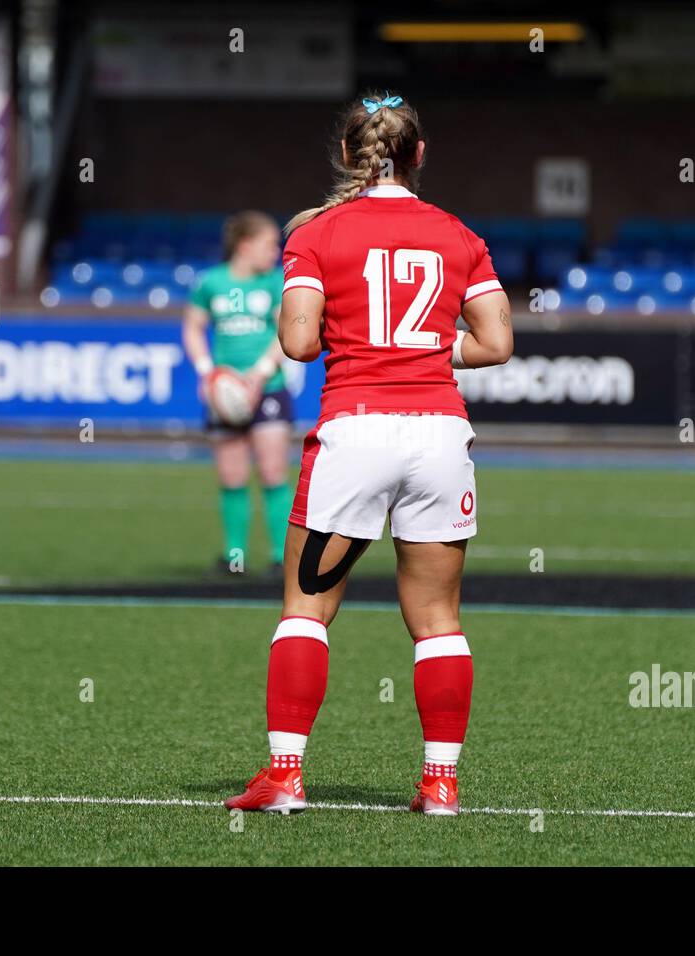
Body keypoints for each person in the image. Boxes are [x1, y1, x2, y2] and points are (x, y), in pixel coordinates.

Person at [224, 92, 513, 816]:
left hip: (355, 430)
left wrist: (357, 336)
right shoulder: (458, 235)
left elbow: (296, 343)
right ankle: (440, 785)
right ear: (419, 155)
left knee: (306, 607)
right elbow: (498, 343)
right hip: (439, 433)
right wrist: (427, 345)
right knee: (438, 617)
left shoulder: (317, 234)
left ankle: (286, 777)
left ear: (349, 155)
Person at [182, 211, 291, 576]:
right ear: (245, 245)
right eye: (269, 244)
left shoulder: (276, 282)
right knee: (231, 475)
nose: (275, 252)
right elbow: (193, 328)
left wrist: (259, 375)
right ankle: (235, 557)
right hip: (226, 393)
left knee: (274, 471)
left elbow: (285, 333)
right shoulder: (211, 282)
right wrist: (206, 371)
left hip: (269, 389)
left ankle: (281, 557)